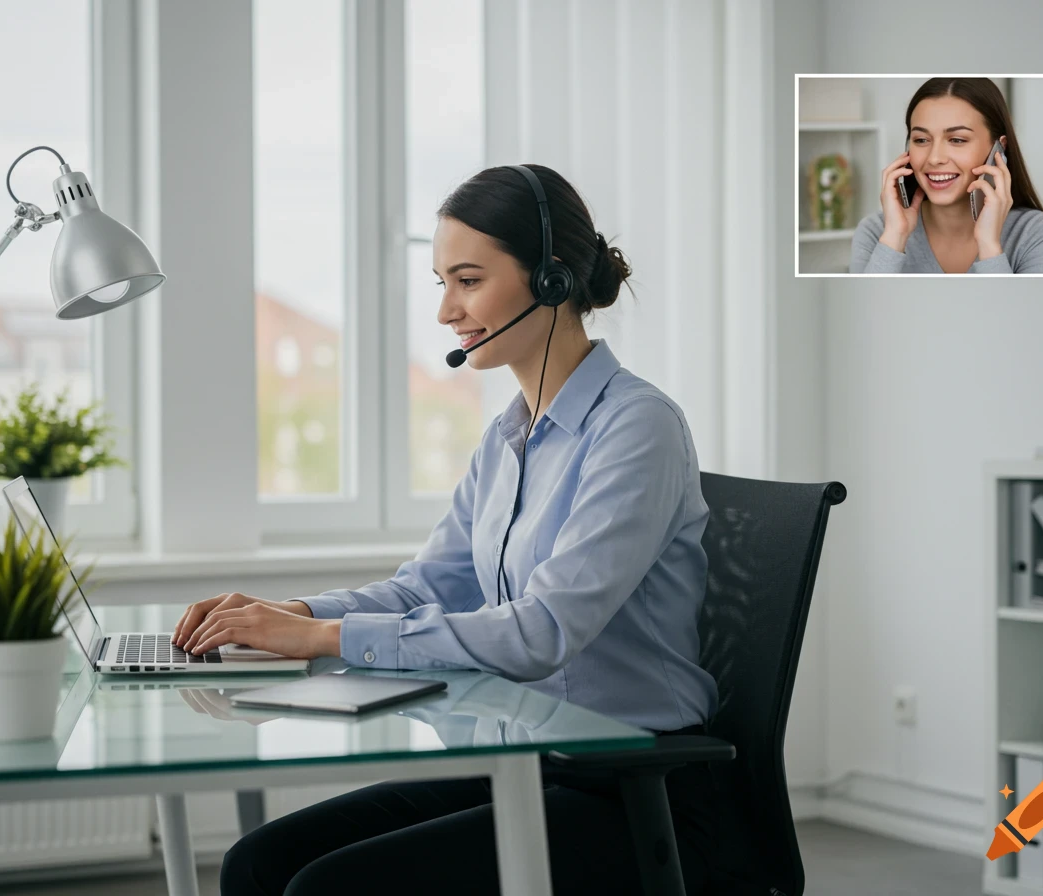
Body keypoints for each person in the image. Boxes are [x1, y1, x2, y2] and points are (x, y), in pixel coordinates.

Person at [172, 164, 720, 895]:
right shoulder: (507, 439)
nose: (446, 312)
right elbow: (424, 588)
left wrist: (323, 640)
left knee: (326, 888)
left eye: (468, 280)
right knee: (256, 864)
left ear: (551, 281)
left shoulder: (636, 428)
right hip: (527, 761)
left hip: (633, 786)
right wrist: (289, 615)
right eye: (442, 283)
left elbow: (540, 632)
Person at [850, 77, 1043, 273]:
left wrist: (989, 245)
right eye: (921, 140)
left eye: (957, 140)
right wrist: (895, 237)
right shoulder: (876, 231)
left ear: (999, 148)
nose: (934, 158)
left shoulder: (1035, 233)